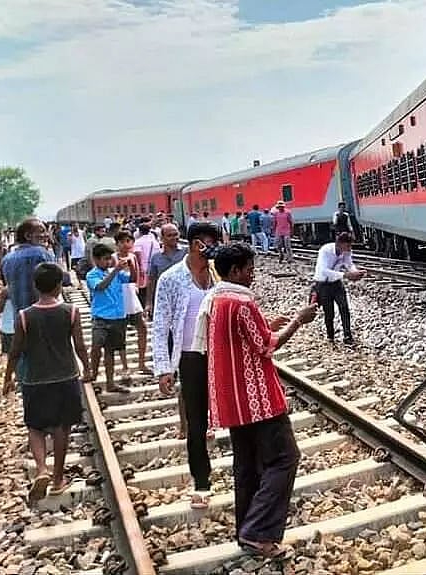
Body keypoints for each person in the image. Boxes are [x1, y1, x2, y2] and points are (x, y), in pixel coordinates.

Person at [201, 242, 317, 558]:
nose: (253, 275)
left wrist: (267, 324)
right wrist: (298, 320)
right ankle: (258, 532)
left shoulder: (217, 298)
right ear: (235, 271)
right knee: (284, 458)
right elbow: (267, 347)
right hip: (257, 398)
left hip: (232, 400)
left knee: (247, 466)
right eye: (249, 269)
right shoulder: (242, 303)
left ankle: (246, 528)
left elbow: (239, 339)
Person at [3, 263, 92, 503]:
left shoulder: (24, 316)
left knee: (35, 426)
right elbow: (80, 346)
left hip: (33, 380)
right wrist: (88, 368)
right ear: (59, 286)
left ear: (35, 286)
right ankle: (57, 480)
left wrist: (7, 378)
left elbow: (15, 351)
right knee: (61, 427)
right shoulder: (71, 312)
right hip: (65, 376)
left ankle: (41, 469)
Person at [152, 223, 219, 507]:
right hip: (191, 356)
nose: (213, 248)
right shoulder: (171, 279)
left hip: (221, 355)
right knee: (195, 422)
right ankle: (201, 483)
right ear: (194, 245)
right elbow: (160, 324)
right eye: (208, 243)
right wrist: (163, 367)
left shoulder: (219, 274)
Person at [87, 243, 130, 394]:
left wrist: (133, 263)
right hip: (101, 317)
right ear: (96, 260)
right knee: (96, 344)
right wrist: (116, 270)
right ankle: (93, 372)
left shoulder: (115, 272)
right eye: (105, 259)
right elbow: (100, 287)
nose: (109, 262)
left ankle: (110, 382)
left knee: (110, 351)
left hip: (117, 317)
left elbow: (132, 279)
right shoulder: (92, 274)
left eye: (110, 259)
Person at [313, 233, 365, 346]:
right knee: (329, 312)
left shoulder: (346, 251)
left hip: (336, 283)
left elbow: (349, 264)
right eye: (347, 246)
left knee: (344, 308)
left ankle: (347, 336)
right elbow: (324, 271)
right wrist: (345, 275)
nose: (349, 249)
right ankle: (330, 337)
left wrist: (355, 272)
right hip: (323, 284)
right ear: (340, 244)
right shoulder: (326, 251)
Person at [114, 230, 149, 375]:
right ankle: (125, 366)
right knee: (120, 333)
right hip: (119, 298)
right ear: (117, 244)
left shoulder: (133, 257)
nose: (126, 244)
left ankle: (142, 363)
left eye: (128, 241)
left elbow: (135, 278)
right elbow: (115, 279)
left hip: (132, 296)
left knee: (143, 328)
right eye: (122, 242)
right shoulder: (113, 258)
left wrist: (133, 268)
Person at [146, 223, 185, 319]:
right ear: (162, 238)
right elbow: (152, 280)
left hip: (184, 299)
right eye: (169, 235)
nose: (173, 238)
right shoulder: (156, 257)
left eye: (175, 234)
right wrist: (149, 302)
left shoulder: (186, 253)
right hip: (165, 301)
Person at [133, 223, 159, 305]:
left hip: (143, 269)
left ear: (140, 231)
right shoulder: (155, 242)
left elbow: (138, 254)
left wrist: (139, 268)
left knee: (143, 291)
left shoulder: (138, 242)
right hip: (154, 268)